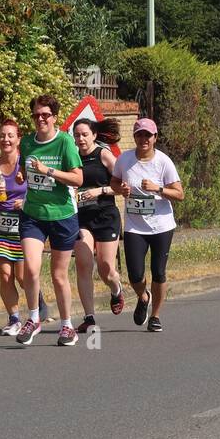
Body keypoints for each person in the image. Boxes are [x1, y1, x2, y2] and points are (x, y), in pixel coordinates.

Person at [14, 95, 83, 346]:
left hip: (62, 215)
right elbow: (25, 168)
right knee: (31, 269)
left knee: (58, 275)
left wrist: (48, 171)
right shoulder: (28, 143)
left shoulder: (64, 142)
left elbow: (78, 179)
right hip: (33, 214)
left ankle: (67, 326)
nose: (40, 119)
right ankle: (33, 319)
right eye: (36, 115)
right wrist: (23, 176)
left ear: (54, 117)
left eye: (45, 115)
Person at [111, 118, 184, 331]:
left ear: (155, 138)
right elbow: (114, 182)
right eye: (140, 135)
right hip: (135, 226)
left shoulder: (163, 162)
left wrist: (158, 189)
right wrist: (120, 189)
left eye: (148, 135)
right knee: (135, 274)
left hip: (161, 226)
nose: (144, 139)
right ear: (134, 137)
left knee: (158, 272)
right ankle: (143, 296)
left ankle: (155, 316)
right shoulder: (124, 160)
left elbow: (179, 194)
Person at [0, 118, 46, 335]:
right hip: (1, 226)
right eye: (2, 135)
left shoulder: (27, 163)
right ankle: (14, 319)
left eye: (10, 135)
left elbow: (42, 191)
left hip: (25, 224)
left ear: (18, 139)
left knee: (22, 276)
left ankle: (36, 305)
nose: (5, 139)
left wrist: (26, 201)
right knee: (5, 274)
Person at [72, 118, 125, 334]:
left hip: (105, 215)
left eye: (84, 134)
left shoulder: (103, 154)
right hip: (82, 218)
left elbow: (122, 186)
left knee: (106, 268)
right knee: (83, 263)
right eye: (77, 135)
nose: (80, 139)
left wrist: (99, 191)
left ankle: (116, 289)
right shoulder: (72, 157)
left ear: (94, 135)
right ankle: (89, 318)